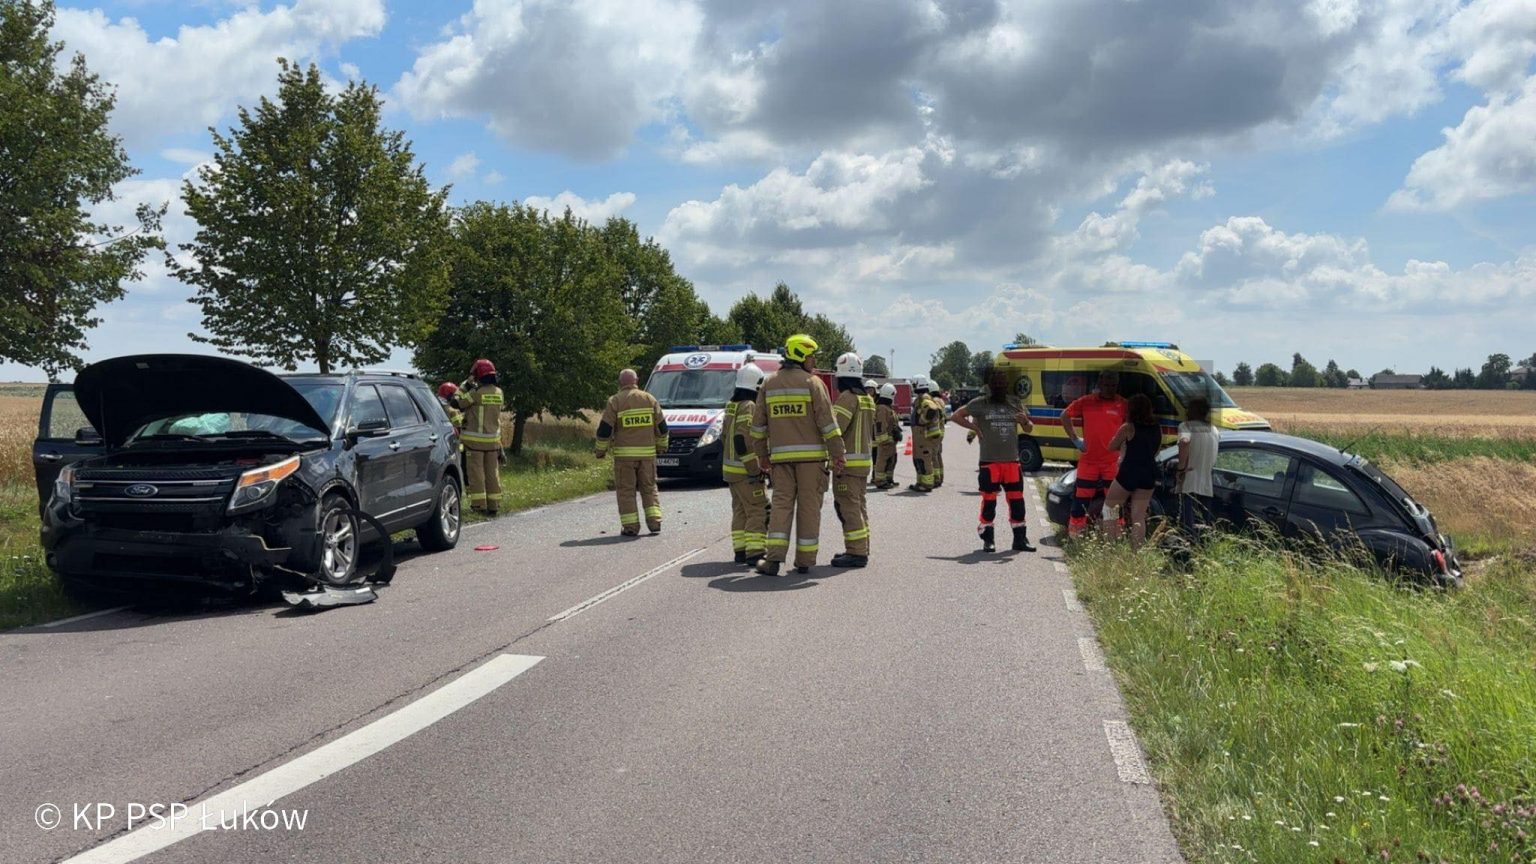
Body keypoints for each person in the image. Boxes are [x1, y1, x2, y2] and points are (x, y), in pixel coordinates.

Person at [751, 334, 846, 576]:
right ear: (801, 355)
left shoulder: (769, 384)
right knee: (809, 509)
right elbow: (828, 423)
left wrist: (762, 455)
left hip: (781, 462)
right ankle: (804, 561)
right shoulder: (813, 384)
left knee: (781, 507)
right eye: (812, 356)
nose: (814, 361)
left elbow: (758, 426)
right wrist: (838, 453)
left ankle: (773, 560)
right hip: (812, 463)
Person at [951, 366, 1037, 552]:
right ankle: (988, 539)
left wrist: (1025, 421)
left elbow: (1029, 428)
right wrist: (975, 428)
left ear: (1007, 385)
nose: (999, 386)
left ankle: (1020, 540)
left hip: (1012, 462)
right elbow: (956, 416)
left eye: (1002, 383)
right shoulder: (980, 403)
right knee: (989, 501)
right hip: (989, 462)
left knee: (1017, 501)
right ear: (990, 385)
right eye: (995, 383)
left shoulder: (1015, 402)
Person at [595, 369, 669, 536]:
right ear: (637, 381)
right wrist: (661, 446)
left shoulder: (615, 401)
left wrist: (600, 450)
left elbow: (605, 430)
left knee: (626, 492)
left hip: (625, 458)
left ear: (620, 383)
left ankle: (631, 527)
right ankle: (655, 522)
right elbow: (662, 428)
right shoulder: (649, 399)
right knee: (649, 488)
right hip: (647, 456)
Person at [1061, 370, 1127, 537]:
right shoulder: (1087, 402)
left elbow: (1130, 430)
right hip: (1088, 461)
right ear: (1100, 383)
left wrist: (1124, 452)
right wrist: (1075, 439)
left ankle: (1115, 537)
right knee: (1080, 502)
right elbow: (1064, 415)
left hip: (1111, 462)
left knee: (1114, 503)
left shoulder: (1123, 404)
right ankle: (1075, 537)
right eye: (1106, 384)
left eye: (1113, 385)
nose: (1110, 388)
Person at [830, 353, 875, 568]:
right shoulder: (867, 398)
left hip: (847, 464)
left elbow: (835, 429)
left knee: (848, 508)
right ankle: (861, 547)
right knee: (859, 507)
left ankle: (856, 552)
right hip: (863, 463)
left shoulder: (848, 398)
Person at [722, 363, 769, 565]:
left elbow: (724, 437)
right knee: (757, 510)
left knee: (740, 510)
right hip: (745, 471)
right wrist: (755, 469)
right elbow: (742, 439)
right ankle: (755, 552)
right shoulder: (749, 406)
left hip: (731, 471)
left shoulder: (731, 405)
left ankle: (740, 551)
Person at [1101, 393, 1161, 548]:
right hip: (1149, 473)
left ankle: (1110, 546)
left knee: (1110, 509)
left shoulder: (1128, 427)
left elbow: (1111, 446)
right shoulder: (1157, 427)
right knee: (1138, 517)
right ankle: (1136, 551)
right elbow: (1156, 449)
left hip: (1129, 472)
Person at [450, 359, 504, 517]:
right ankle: (494, 505)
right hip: (493, 442)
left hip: (475, 443)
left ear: (478, 375)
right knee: (492, 474)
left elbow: (456, 403)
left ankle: (479, 506)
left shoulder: (476, 393)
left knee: (476, 474)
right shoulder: (499, 392)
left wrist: (464, 385)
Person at [1176, 396, 1219, 542]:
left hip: (1189, 483)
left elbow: (1184, 441)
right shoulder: (1214, 429)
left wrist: (1180, 469)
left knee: (1188, 529)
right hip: (1207, 484)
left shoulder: (1185, 426)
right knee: (1204, 529)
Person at [908, 376, 938, 492]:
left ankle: (927, 484)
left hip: (923, 435)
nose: (912, 387)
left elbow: (931, 409)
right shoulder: (920, 399)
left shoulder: (925, 399)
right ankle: (920, 482)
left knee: (924, 459)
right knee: (918, 459)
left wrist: (922, 421)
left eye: (913, 385)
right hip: (919, 435)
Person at [871, 382, 902, 490]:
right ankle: (880, 481)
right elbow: (880, 425)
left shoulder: (888, 408)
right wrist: (884, 440)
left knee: (891, 460)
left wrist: (897, 432)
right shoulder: (882, 408)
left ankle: (888, 479)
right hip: (886, 442)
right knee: (882, 461)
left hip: (891, 441)